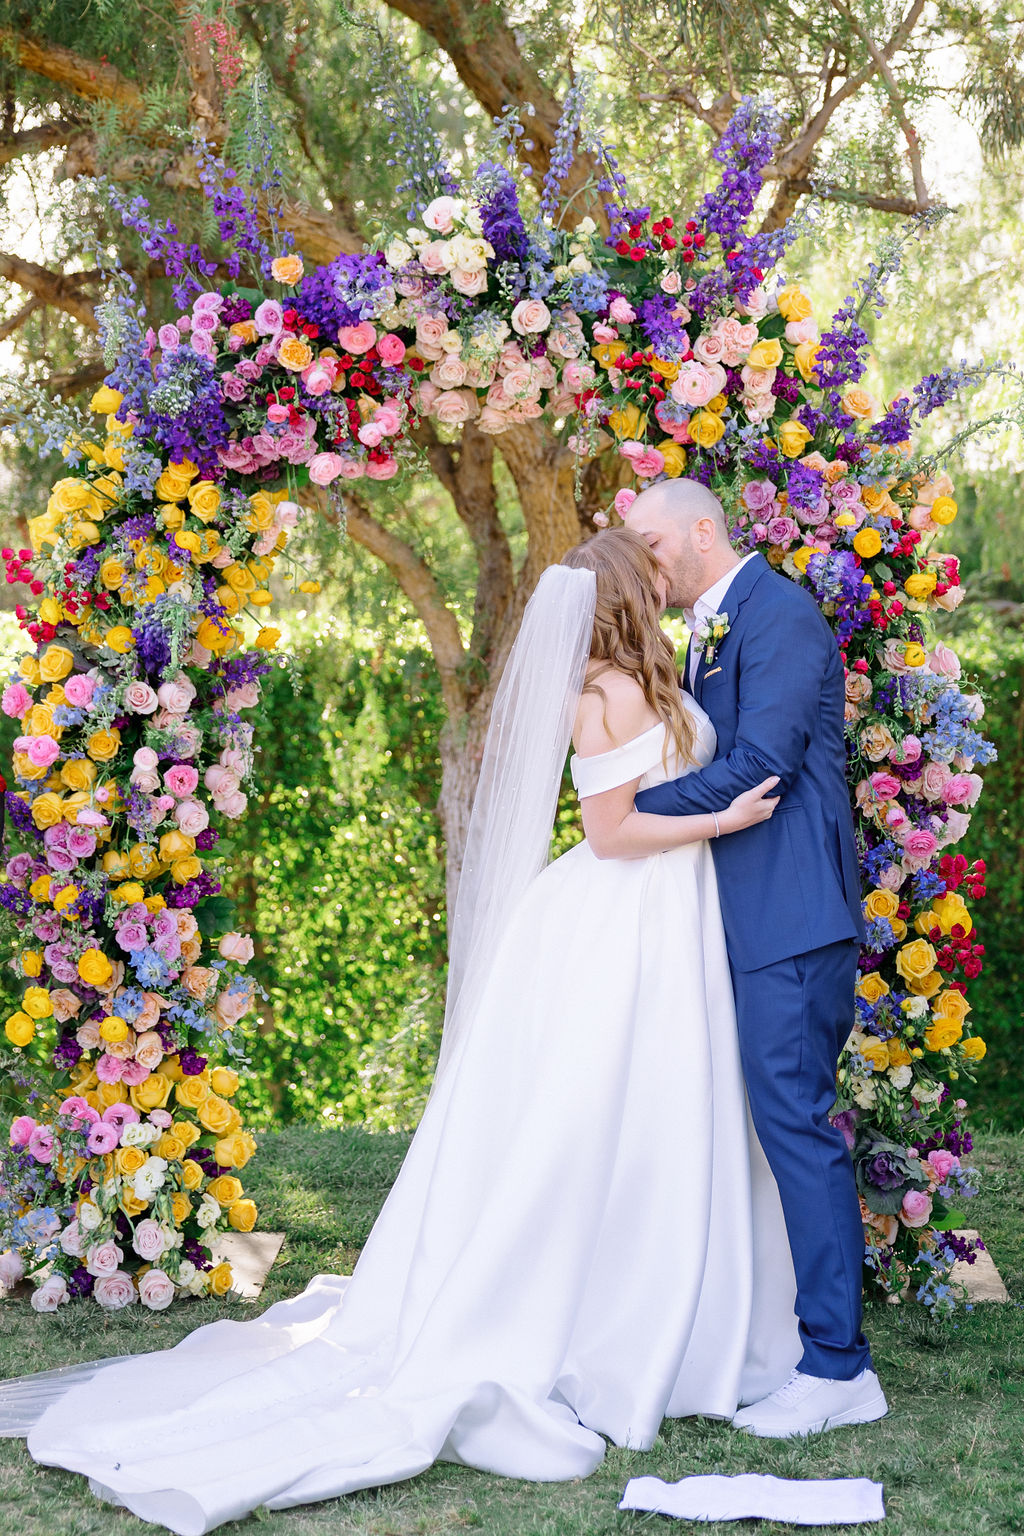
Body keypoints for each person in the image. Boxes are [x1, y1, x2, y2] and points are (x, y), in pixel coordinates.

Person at [1, 529, 798, 1536]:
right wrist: (722, 826)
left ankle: (686, 1309)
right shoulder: (601, 695)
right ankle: (608, 1315)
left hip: (668, 919)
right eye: (647, 574)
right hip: (618, 919)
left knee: (664, 1116)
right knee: (595, 1120)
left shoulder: (658, 675)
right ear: (624, 598)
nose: (662, 579)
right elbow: (610, 833)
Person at [623, 479, 888, 1438]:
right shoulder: (708, 626)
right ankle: (761, 1337)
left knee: (795, 1130)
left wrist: (620, 817)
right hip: (731, 917)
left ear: (703, 530)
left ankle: (839, 1369)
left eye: (650, 542)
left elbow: (761, 766)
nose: (643, 561)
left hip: (789, 919)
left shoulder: (778, 616)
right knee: (747, 1132)